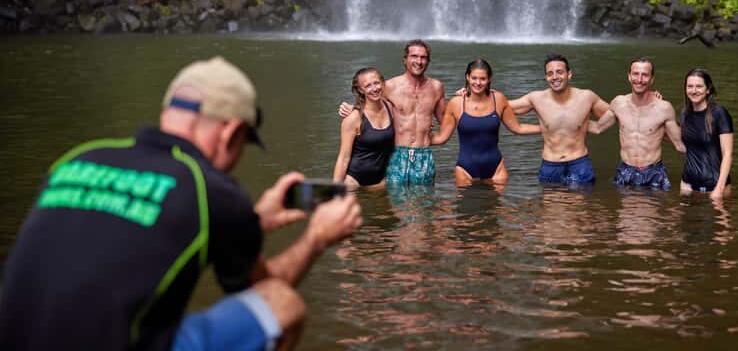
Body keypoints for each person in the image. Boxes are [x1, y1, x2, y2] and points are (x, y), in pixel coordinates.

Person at [0, 56, 362, 351]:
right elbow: (263, 289)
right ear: (231, 133)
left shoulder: (78, 159)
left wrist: (252, 221)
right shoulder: (210, 189)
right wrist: (315, 238)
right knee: (283, 305)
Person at [339, 40, 446, 185]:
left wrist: (466, 95)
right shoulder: (389, 87)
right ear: (405, 59)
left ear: (428, 61)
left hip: (424, 156)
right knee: (394, 198)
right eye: (414, 56)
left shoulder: (436, 87)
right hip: (396, 156)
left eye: (423, 57)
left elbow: (447, 121)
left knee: (424, 198)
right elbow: (372, 108)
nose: (419, 61)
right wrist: (354, 110)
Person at [430, 58, 541, 185]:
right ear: (467, 77)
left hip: (496, 169)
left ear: (489, 79)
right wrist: (416, 139)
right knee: (465, 199)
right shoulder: (456, 103)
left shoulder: (498, 99)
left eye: (482, 79)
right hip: (465, 170)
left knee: (501, 199)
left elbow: (518, 128)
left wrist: (545, 128)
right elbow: (442, 138)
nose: (478, 83)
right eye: (474, 78)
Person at [504, 54, 610, 185]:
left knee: (580, 199)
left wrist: (597, 127)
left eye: (559, 72)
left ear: (569, 74)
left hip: (579, 164)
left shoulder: (587, 97)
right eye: (550, 73)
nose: (554, 77)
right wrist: (483, 94)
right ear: (546, 77)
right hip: (550, 165)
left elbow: (614, 113)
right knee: (551, 199)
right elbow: (503, 106)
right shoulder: (536, 99)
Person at [588, 57, 686, 190]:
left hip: (653, 172)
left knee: (654, 204)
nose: (639, 79)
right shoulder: (618, 103)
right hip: (625, 170)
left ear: (652, 79)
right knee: (625, 204)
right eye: (635, 74)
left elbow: (680, 145)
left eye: (645, 75)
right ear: (629, 76)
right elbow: (597, 128)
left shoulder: (664, 108)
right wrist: (568, 120)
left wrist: (710, 157)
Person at [333, 67, 394, 188]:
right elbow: (343, 158)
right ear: (360, 90)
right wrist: (334, 191)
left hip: (380, 183)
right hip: (354, 183)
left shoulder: (390, 108)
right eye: (368, 86)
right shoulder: (353, 118)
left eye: (376, 83)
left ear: (382, 83)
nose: (374, 88)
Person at [678, 68, 734, 200]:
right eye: (690, 86)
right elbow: (680, 142)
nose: (694, 90)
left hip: (715, 188)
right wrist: (656, 101)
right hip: (687, 186)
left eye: (699, 86)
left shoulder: (719, 114)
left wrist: (719, 189)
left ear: (708, 89)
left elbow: (728, 154)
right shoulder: (685, 114)